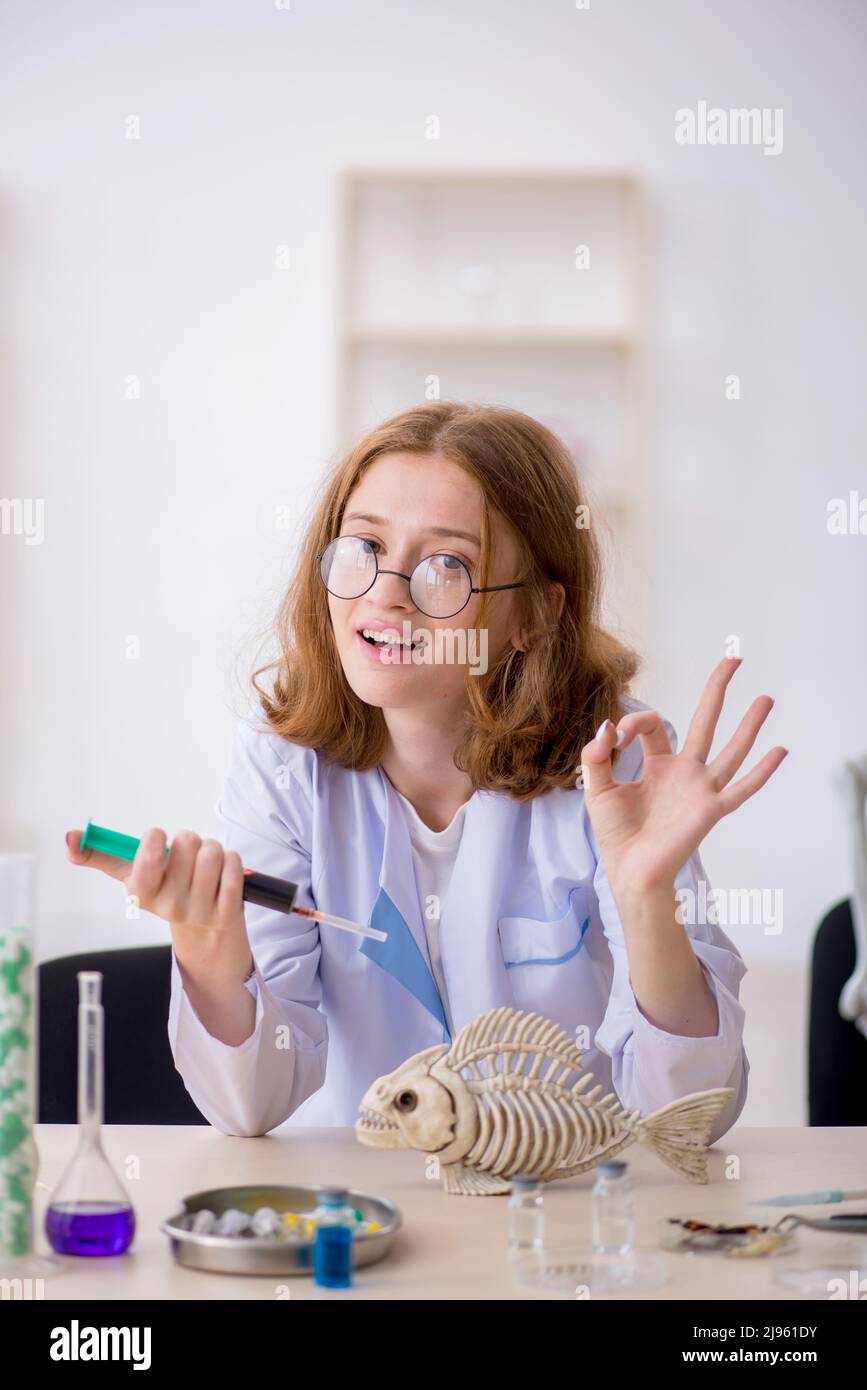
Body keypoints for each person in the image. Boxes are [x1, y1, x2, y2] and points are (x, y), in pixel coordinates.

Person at [66, 401, 787, 1139]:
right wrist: (207, 943)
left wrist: (645, 899)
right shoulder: (284, 765)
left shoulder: (618, 762)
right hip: (360, 1219)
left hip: (554, 1218)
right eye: (364, 545)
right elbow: (251, 1106)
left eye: (446, 564)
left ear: (535, 614)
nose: (384, 590)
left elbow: (687, 1118)